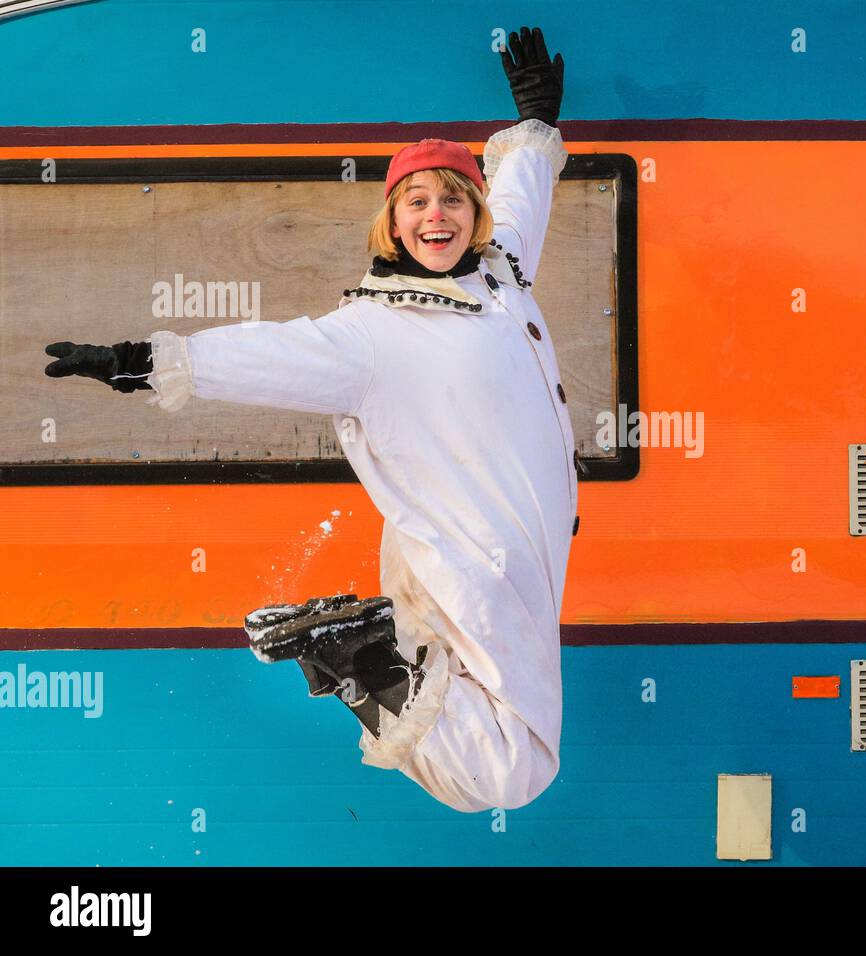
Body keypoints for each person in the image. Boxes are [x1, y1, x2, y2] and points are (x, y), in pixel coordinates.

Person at [42, 26, 576, 814]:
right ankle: (357, 653)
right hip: (466, 565)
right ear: (393, 223)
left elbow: (524, 195)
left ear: (476, 217)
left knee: (482, 760)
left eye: (455, 199)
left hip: (517, 562)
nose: (438, 214)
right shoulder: (373, 332)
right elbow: (263, 354)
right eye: (418, 201)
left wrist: (536, 125)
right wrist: (144, 360)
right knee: (507, 773)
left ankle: (363, 655)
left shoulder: (505, 272)